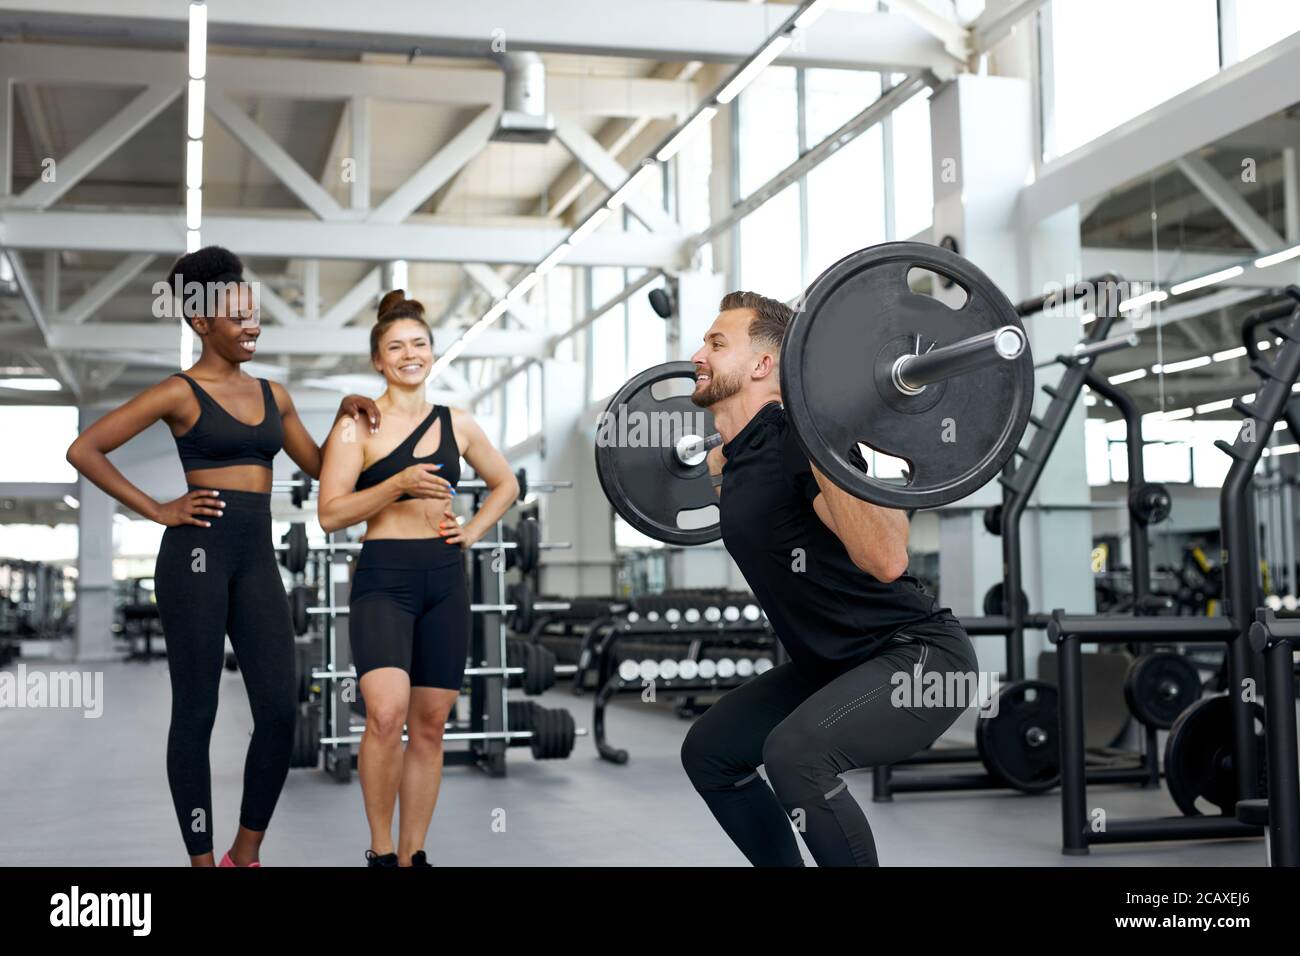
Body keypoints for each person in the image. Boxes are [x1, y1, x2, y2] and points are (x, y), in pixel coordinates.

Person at [65, 245, 383, 867]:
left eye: (253, 313)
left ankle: (246, 850)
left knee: (278, 709)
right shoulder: (178, 393)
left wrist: (346, 415)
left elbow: (320, 469)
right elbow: (85, 449)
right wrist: (159, 509)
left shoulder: (275, 395)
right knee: (198, 711)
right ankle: (202, 860)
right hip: (194, 560)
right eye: (236, 315)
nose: (251, 324)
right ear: (200, 321)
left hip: (256, 560)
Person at [679, 291, 980, 867]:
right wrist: (720, 468)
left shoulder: (805, 438)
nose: (698, 354)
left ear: (765, 365)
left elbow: (888, 558)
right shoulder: (731, 460)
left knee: (796, 756)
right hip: (831, 666)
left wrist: (821, 424)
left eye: (717, 343)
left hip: (917, 658)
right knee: (712, 752)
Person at [317, 289, 517, 868]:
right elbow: (331, 512)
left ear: (433, 352)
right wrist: (397, 485)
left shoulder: (458, 422)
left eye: (420, 344)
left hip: (445, 575)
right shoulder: (359, 425)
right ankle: (380, 853)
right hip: (385, 576)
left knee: (430, 725)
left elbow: (505, 484)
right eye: (396, 347)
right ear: (378, 359)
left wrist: (473, 533)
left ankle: (412, 856)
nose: (410, 354)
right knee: (385, 713)